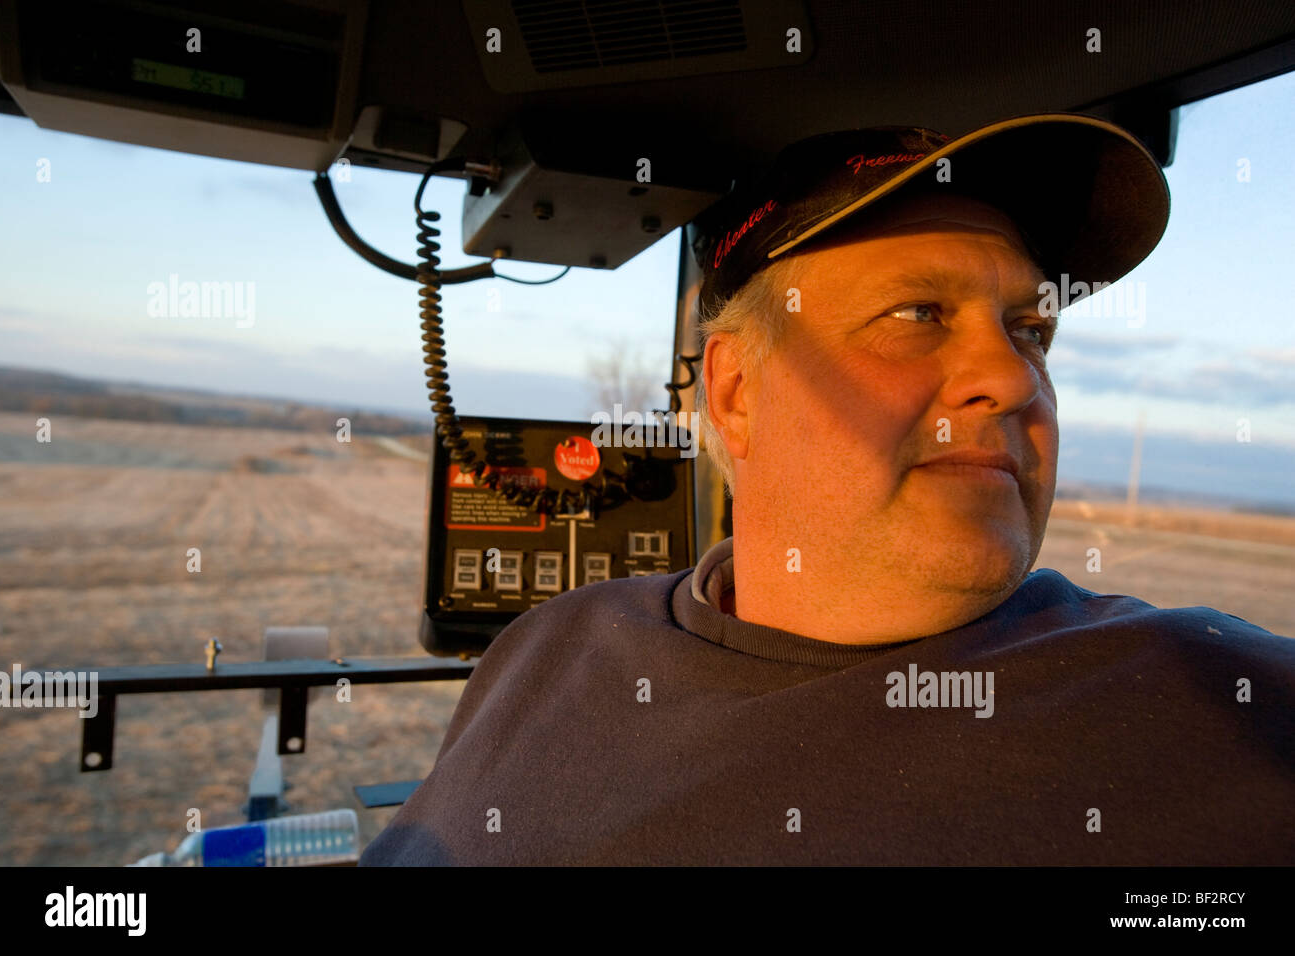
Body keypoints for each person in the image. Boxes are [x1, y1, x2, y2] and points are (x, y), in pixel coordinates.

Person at [361, 114, 1295, 866]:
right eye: (919, 314)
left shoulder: (1222, 701)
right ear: (734, 390)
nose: (1012, 379)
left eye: (1030, 331)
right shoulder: (546, 652)